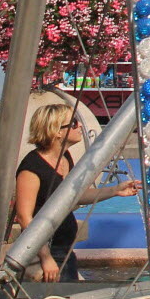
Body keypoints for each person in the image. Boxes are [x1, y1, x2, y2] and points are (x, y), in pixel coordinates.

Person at [14, 103, 142, 282]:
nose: (80, 125)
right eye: (74, 123)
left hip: (64, 249)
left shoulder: (65, 158)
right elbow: (24, 218)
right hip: (45, 252)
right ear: (57, 131)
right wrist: (46, 257)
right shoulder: (32, 168)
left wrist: (115, 190)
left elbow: (75, 196)